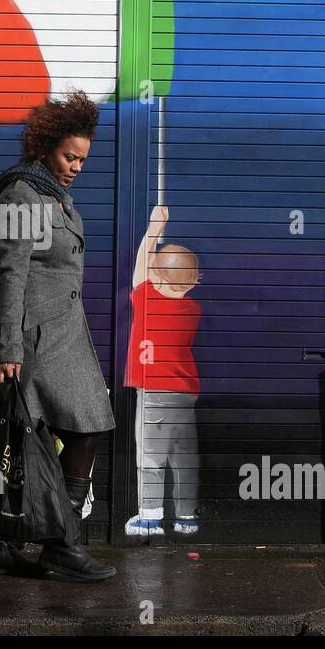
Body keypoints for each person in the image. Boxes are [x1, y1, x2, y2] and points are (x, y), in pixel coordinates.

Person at [0, 89, 116, 582]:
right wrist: (8, 347)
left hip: (57, 335)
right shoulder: (22, 194)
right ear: (44, 147)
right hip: (31, 339)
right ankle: (62, 545)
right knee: (84, 426)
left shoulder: (54, 197)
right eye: (68, 156)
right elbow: (10, 274)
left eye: (82, 159)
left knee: (30, 437)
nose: (76, 166)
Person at [124, 204, 204, 536]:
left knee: (151, 456)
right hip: (185, 395)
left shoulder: (148, 301)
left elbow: (141, 269)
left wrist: (154, 229)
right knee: (183, 456)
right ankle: (186, 516)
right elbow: (154, 273)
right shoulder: (192, 309)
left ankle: (149, 516)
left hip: (155, 393)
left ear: (157, 279)